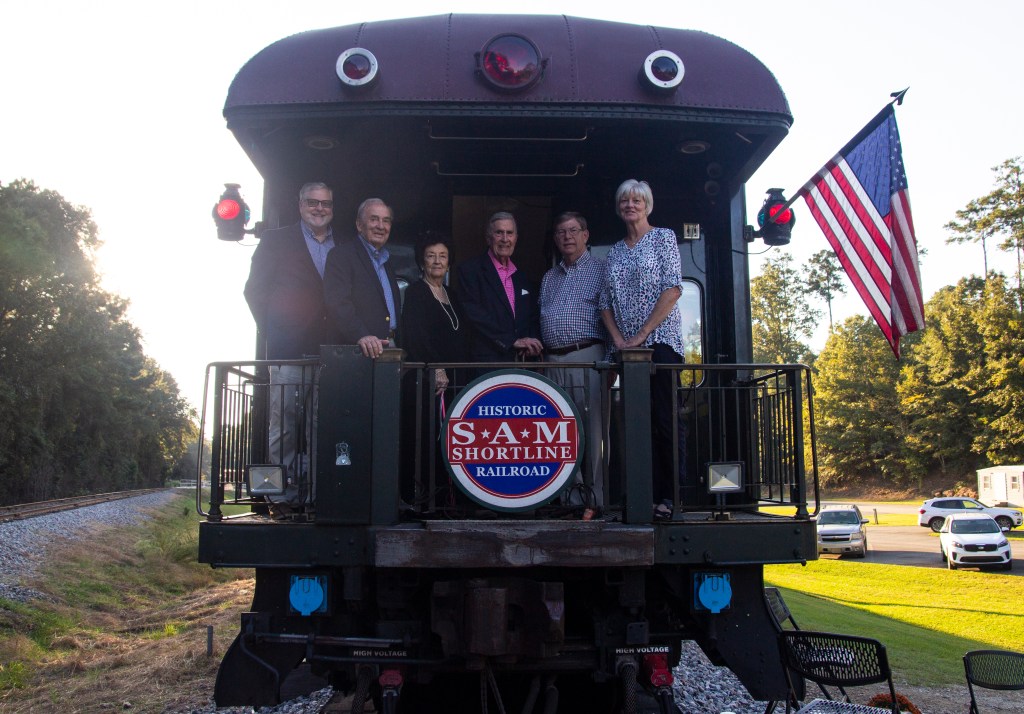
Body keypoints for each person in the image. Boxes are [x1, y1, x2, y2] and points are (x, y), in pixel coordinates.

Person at [243, 181, 341, 506]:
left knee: (321, 427)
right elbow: (254, 290)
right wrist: (276, 329)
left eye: (325, 203)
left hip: (329, 352)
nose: (319, 208)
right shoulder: (276, 240)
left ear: (332, 208)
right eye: (312, 202)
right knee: (283, 427)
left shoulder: (341, 245)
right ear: (300, 205)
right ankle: (280, 500)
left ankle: (316, 497)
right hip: (287, 351)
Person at [599, 180, 686, 518]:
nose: (630, 205)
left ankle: (671, 497)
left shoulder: (664, 238)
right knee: (636, 424)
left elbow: (673, 289)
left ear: (647, 205)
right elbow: (604, 304)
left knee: (666, 421)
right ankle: (641, 497)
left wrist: (642, 334)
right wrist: (620, 341)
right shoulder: (614, 251)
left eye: (637, 200)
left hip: (661, 344)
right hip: (628, 353)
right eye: (625, 200)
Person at [539, 212, 608, 507]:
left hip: (587, 357)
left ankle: (594, 500)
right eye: (561, 232)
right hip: (552, 361)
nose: (567, 237)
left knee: (592, 431)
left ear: (585, 235)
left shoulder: (602, 270)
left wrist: (610, 364)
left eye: (573, 230)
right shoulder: (549, 277)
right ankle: (570, 500)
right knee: (560, 431)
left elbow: (612, 318)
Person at [455, 212, 542, 363]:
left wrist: (532, 341)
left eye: (510, 233)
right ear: (488, 238)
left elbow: (532, 316)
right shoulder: (470, 270)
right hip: (488, 363)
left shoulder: (522, 277)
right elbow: (474, 314)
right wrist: (511, 341)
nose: (505, 239)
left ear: (516, 238)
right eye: (499, 233)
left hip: (522, 363)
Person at [324, 198, 401, 359]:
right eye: (374, 219)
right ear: (359, 225)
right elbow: (337, 303)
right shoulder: (341, 256)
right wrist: (361, 335)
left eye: (386, 221)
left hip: (389, 350)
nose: (381, 226)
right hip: (357, 353)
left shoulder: (387, 261)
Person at [400, 232, 465, 395]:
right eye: (431, 256)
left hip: (455, 378)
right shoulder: (415, 292)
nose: (437, 261)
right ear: (422, 263)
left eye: (443, 256)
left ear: (448, 264)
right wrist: (435, 367)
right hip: (429, 379)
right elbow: (415, 337)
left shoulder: (453, 295)